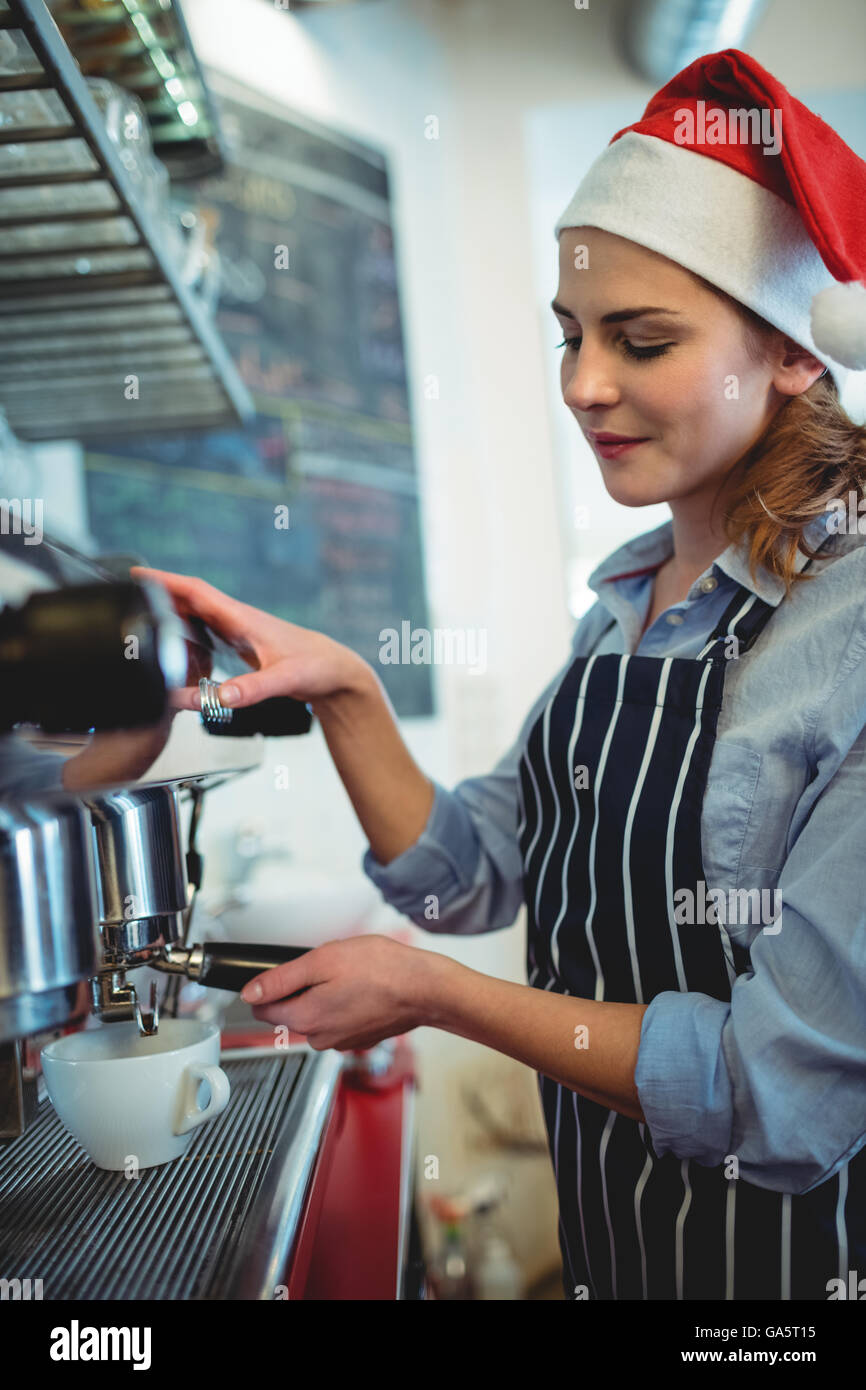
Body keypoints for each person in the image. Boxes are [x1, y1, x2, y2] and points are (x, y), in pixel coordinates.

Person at [133, 49, 866, 1301]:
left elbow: (779, 1089)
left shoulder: (843, 638)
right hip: (616, 1253)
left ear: (794, 353)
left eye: (640, 341)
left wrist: (436, 997)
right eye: (571, 334)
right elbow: (465, 871)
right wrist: (347, 692)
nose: (584, 386)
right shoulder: (626, 618)